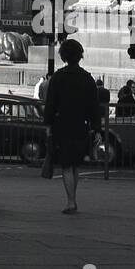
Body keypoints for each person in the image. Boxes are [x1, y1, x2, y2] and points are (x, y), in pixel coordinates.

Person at [43, 38, 101, 215]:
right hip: (81, 126)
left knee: (67, 165)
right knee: (75, 164)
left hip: (63, 125)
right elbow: (94, 106)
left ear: (63, 56)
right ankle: (73, 198)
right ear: (80, 56)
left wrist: (48, 125)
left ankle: (71, 201)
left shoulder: (58, 77)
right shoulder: (87, 78)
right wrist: (96, 128)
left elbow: (51, 104)